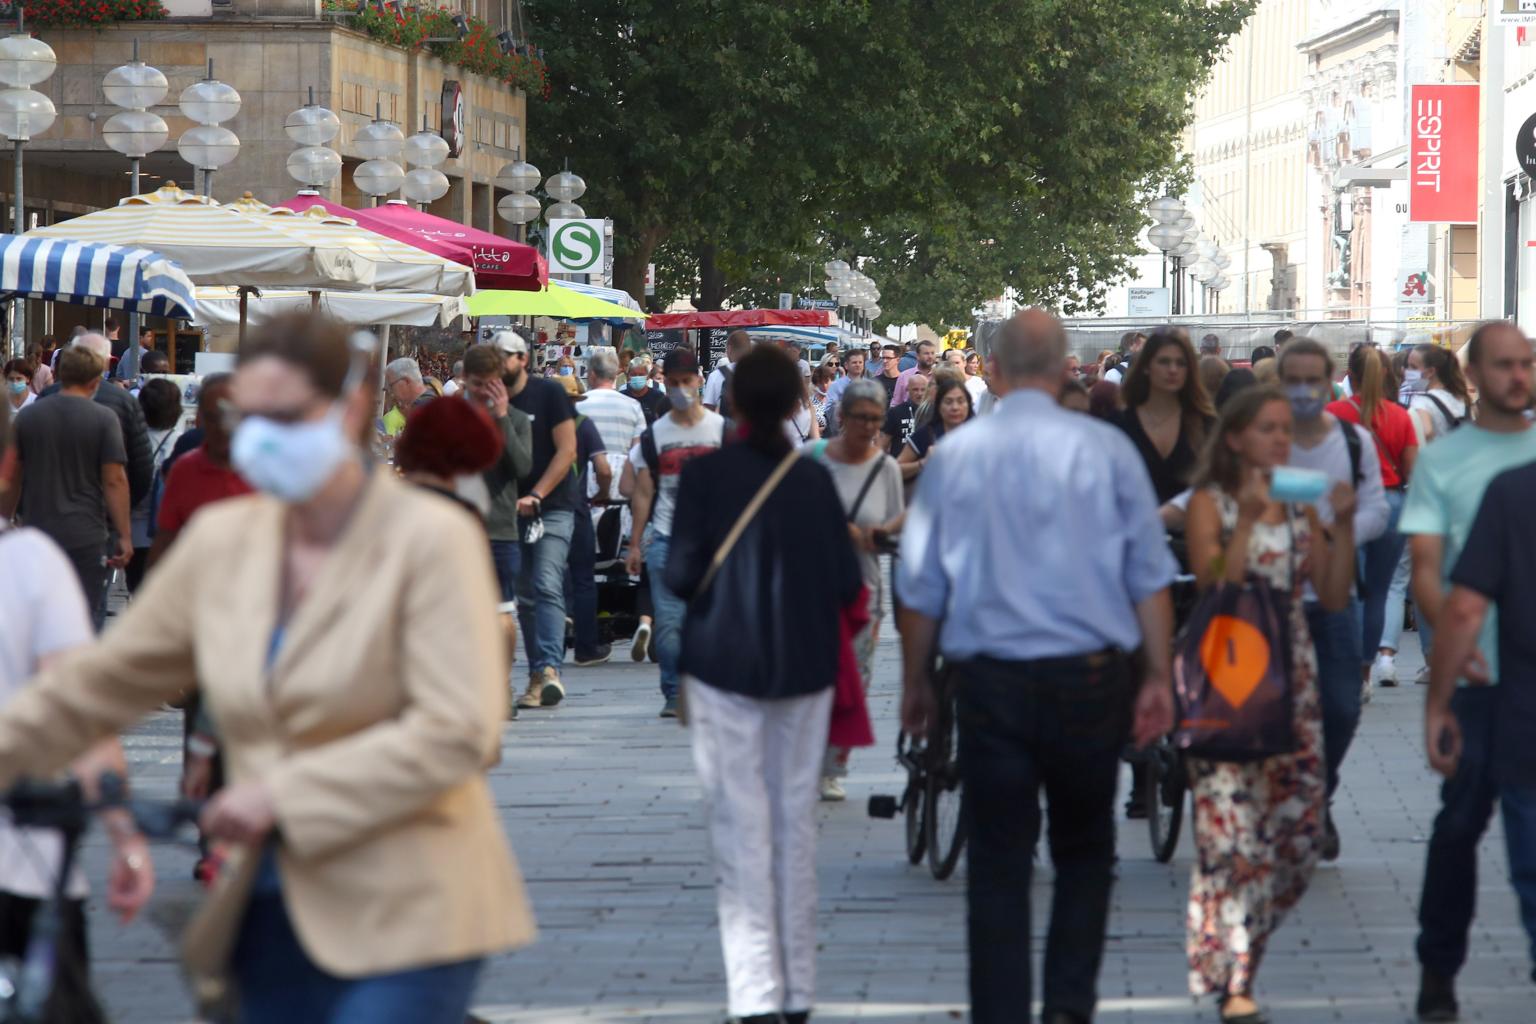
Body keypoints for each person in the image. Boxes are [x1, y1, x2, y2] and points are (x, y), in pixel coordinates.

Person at [0, 313, 535, 1023]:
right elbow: (102, 683)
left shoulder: (428, 538)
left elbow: (457, 729)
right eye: (249, 415)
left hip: (412, 897)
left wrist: (282, 795)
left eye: (286, 415)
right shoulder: (227, 542)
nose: (262, 437)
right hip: (271, 903)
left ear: (348, 408)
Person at [897, 309, 1175, 1024]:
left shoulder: (958, 457)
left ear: (993, 369)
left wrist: (916, 681)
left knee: (999, 855)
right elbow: (1147, 574)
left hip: (990, 679)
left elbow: (923, 584)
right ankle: (1069, 1008)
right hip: (1089, 675)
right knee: (1085, 850)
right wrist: (1156, 677)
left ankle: (1001, 1011)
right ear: (1064, 369)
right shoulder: (1107, 452)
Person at [664, 344, 859, 1024]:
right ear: (799, 403)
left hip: (724, 666)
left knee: (738, 825)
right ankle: (799, 988)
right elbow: (845, 582)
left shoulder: (706, 477)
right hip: (803, 668)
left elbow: (682, 576)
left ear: (735, 402)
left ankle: (754, 995)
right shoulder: (813, 480)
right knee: (794, 823)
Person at [1183, 387, 1357, 1024]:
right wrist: (1252, 521)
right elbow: (1211, 584)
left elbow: (1333, 596)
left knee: (1297, 835)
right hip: (1228, 673)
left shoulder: (1297, 501)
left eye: (1287, 430)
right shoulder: (1212, 501)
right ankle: (1235, 978)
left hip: (1293, 675)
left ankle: (1240, 954)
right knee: (1231, 838)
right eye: (1268, 430)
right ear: (1235, 438)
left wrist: (1333, 528)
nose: (1282, 441)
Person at [1394, 323, 1536, 1021]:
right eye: (1505, 365)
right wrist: (1452, 646)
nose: (1519, 376)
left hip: (1531, 676)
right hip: (1479, 672)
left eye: (1528, 364)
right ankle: (1437, 967)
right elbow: (1426, 566)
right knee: (1459, 828)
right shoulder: (1444, 461)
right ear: (1474, 374)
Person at [0, 400, 153, 1024]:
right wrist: (125, 837)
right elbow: (79, 716)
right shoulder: (30, 565)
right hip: (22, 863)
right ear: (11, 464)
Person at [1278, 338, 1389, 860]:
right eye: (1291, 380)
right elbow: (1231, 491)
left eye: (1310, 380)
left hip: (1333, 596)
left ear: (1329, 384)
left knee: (1341, 708)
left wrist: (1337, 529)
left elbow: (1375, 508)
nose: (1301, 391)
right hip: (1270, 600)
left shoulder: (1351, 440)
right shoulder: (1263, 438)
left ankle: (1316, 797)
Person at [805, 378, 903, 801]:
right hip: (811, 588)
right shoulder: (812, 459)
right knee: (814, 677)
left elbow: (899, 516)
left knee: (857, 679)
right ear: (841, 417)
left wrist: (882, 531)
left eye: (876, 420)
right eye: (860, 418)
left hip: (864, 588)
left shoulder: (887, 468)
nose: (868, 427)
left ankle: (834, 766)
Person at [625, 350, 728, 717]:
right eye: (674, 383)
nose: (682, 389)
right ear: (664, 384)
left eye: (688, 382)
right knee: (668, 625)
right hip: (667, 538)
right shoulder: (654, 436)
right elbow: (642, 491)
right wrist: (635, 544)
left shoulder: (722, 432)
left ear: (699, 382)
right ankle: (673, 691)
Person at [0, 345, 131, 629]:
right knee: (84, 615)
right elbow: (114, 480)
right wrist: (124, 533)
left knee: (41, 616)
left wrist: (5, 520)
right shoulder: (104, 419)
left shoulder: (29, 417)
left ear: (57, 374)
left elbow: (12, 477)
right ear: (96, 381)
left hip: (38, 529)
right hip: (86, 533)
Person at [484, 331, 579, 710]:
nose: (497, 364)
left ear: (522, 359)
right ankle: (537, 675)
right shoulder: (489, 400)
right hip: (508, 511)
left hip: (552, 505)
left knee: (545, 581)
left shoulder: (549, 394)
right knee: (523, 596)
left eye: (503, 357)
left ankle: (550, 668)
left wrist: (537, 493)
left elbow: (567, 450)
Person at [1377, 344, 1474, 688]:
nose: (1407, 373)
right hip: (1459, 500)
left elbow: (1417, 450)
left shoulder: (1420, 406)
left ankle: (1427, 657)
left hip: (1425, 499)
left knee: (1411, 580)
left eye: (1413, 366)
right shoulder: (1461, 402)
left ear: (1430, 371)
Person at [1326, 345, 1417, 698]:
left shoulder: (1333, 413)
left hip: (1347, 504)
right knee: (1378, 592)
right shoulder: (1399, 416)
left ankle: (1348, 672)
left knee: (1352, 593)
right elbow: (1412, 470)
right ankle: (1364, 676)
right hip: (1392, 504)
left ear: (1350, 375)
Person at [460, 343, 535, 709]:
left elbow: (522, 468)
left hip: (500, 528)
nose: (483, 392)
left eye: (490, 384)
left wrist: (502, 416)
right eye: (476, 384)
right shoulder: (451, 418)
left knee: (503, 613)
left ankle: (502, 683)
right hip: (458, 532)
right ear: (463, 381)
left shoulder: (517, 420)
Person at [45, 332, 153, 509]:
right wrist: (124, 507)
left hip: (52, 508)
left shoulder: (46, 397)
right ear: (105, 362)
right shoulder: (125, 402)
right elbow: (141, 467)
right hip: (103, 511)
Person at [1112, 328, 1215, 506]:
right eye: (1164, 362)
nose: (1173, 370)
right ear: (1145, 366)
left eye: (1181, 363)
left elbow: (1220, 481)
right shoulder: (1120, 424)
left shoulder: (1205, 422)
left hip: (1192, 528)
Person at [565, 393, 614, 666]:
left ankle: (545, 657)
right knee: (584, 579)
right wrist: (603, 494)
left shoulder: (534, 423)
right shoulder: (582, 424)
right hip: (575, 509)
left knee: (544, 580)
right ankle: (586, 647)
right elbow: (604, 469)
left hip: (537, 509)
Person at [125, 377, 184, 592]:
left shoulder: (132, 440)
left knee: (138, 587)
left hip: (135, 526)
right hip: (168, 528)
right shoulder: (181, 441)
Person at [579, 348, 647, 503]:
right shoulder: (633, 406)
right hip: (622, 484)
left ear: (592, 375)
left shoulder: (579, 404)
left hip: (585, 483)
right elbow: (637, 451)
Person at [898, 372, 973, 471]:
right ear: (938, 406)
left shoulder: (979, 434)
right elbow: (896, 469)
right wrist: (923, 463)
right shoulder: (926, 434)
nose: (955, 407)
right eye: (948, 402)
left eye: (960, 401)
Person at [881, 369, 929, 480]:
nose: (919, 393)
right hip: (900, 472)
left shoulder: (934, 412)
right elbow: (882, 445)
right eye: (915, 390)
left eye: (923, 390)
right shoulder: (895, 412)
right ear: (907, 390)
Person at [704, 330, 751, 416]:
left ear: (729, 349)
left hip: (726, 428)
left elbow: (708, 412)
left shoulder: (716, 375)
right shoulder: (761, 374)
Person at [623, 353, 668, 423]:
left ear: (647, 376)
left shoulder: (658, 397)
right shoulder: (622, 397)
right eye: (633, 375)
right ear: (628, 376)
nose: (637, 377)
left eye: (641, 375)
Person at [890, 338, 937, 406]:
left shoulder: (940, 376)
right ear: (917, 356)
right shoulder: (904, 376)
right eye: (926, 353)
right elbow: (896, 403)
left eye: (932, 353)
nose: (930, 356)